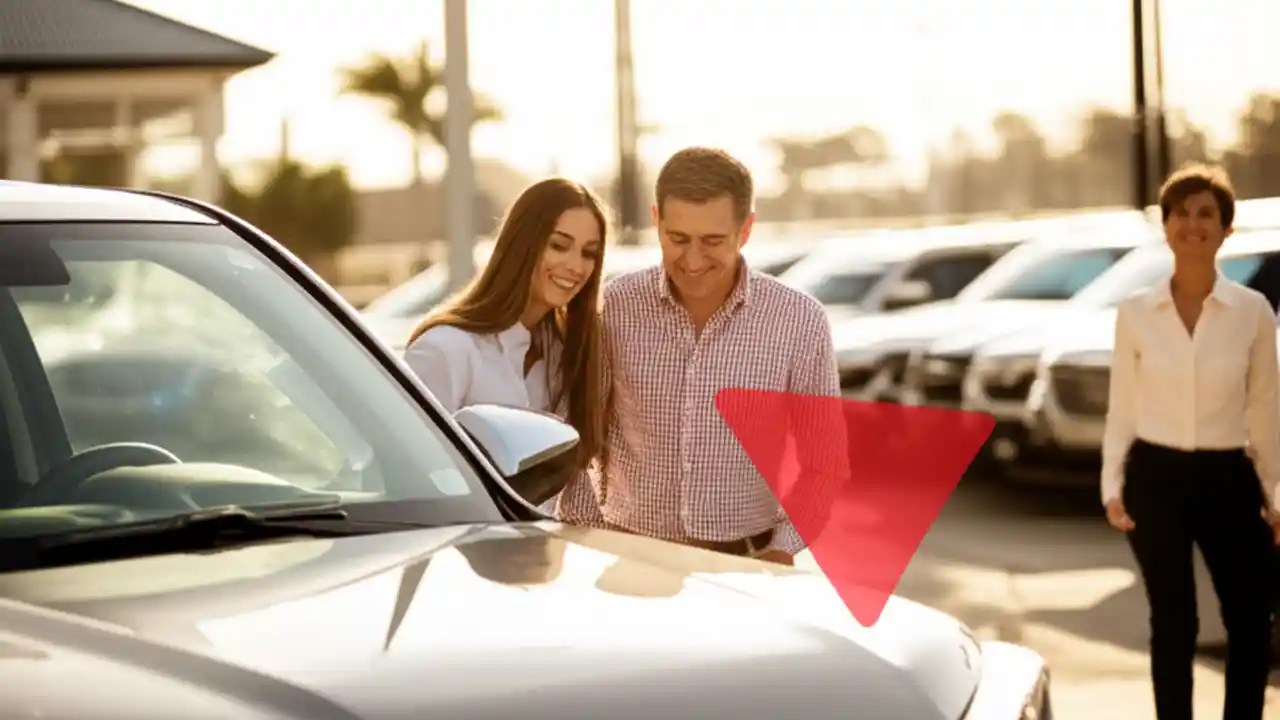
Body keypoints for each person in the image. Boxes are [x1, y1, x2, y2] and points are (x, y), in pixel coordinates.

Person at [556, 146, 846, 566]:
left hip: (748, 566)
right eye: (678, 239)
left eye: (713, 241)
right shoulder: (613, 308)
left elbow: (826, 465)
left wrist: (782, 549)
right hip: (628, 562)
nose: (692, 260)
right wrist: (588, 535)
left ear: (745, 230)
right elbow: (580, 437)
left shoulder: (799, 321)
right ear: (657, 221)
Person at [1101, 163, 1280, 720]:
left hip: (1230, 477)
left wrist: (1277, 494)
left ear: (1227, 230)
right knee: (1173, 622)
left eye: (1207, 213)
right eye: (1181, 212)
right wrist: (1112, 484)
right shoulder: (1135, 311)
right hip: (1155, 479)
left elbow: (1266, 410)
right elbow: (1122, 406)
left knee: (1250, 621)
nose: (1192, 223)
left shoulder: (1252, 312)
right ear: (1166, 225)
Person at [402, 178, 608, 492]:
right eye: (559, 246)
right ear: (523, 243)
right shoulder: (445, 349)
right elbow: (411, 473)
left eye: (588, 253)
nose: (575, 266)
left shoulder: (566, 355)